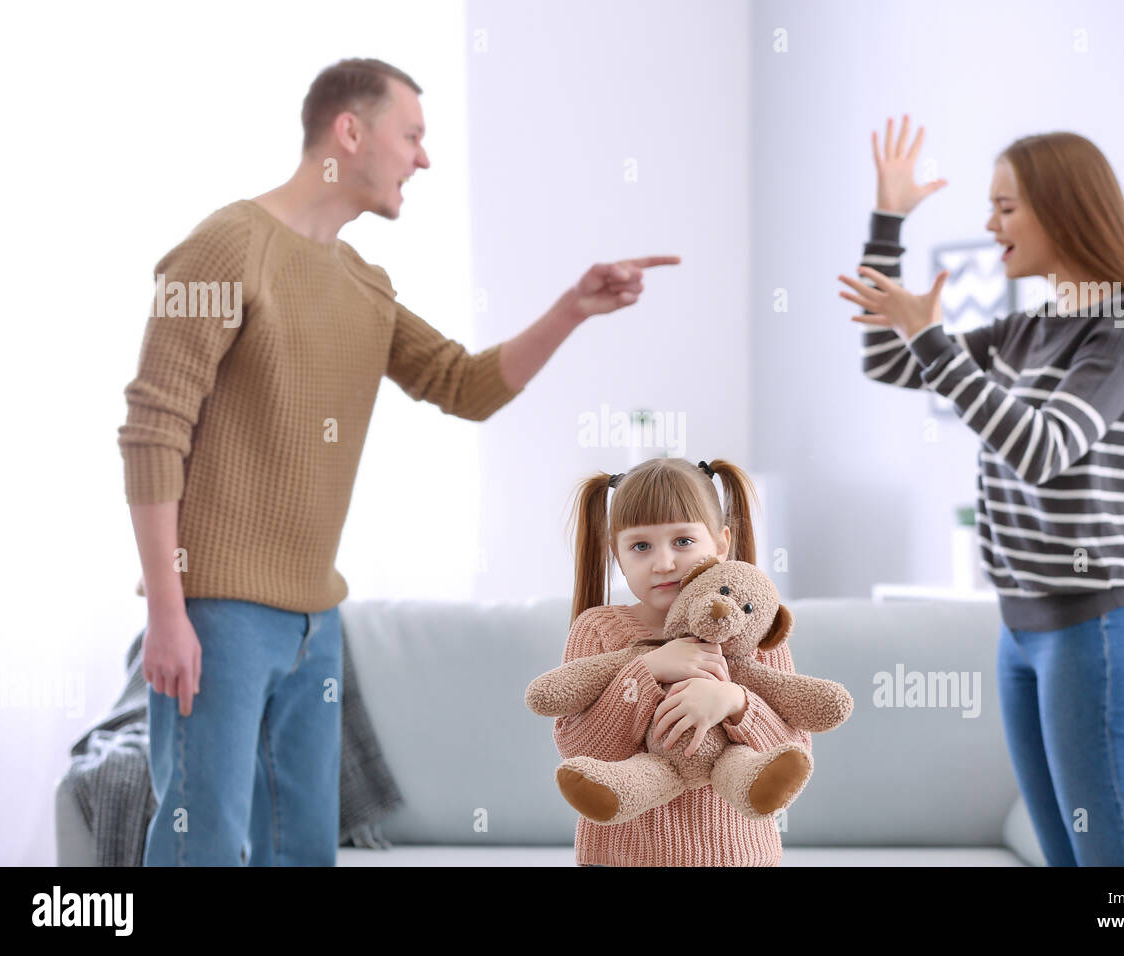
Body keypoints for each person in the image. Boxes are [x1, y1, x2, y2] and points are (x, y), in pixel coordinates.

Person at [120, 57, 680, 866]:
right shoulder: (222, 249)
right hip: (216, 611)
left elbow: (465, 384)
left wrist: (572, 309)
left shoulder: (364, 285)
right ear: (349, 132)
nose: (424, 158)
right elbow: (151, 429)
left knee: (304, 847)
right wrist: (167, 614)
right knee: (197, 842)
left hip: (315, 621)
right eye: (411, 134)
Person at [837, 115, 1124, 866]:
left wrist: (934, 339)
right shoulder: (1026, 329)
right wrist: (888, 222)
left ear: (1063, 210)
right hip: (1024, 629)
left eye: (1006, 205)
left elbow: (1043, 449)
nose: (989, 222)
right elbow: (884, 359)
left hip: (1095, 630)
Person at [555, 456, 811, 866]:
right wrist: (647, 671)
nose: (663, 563)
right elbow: (578, 749)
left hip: (737, 856)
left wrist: (734, 702)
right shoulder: (599, 630)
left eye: (683, 541)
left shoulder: (755, 631)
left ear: (721, 543)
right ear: (616, 554)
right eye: (641, 546)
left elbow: (792, 754)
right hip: (622, 857)